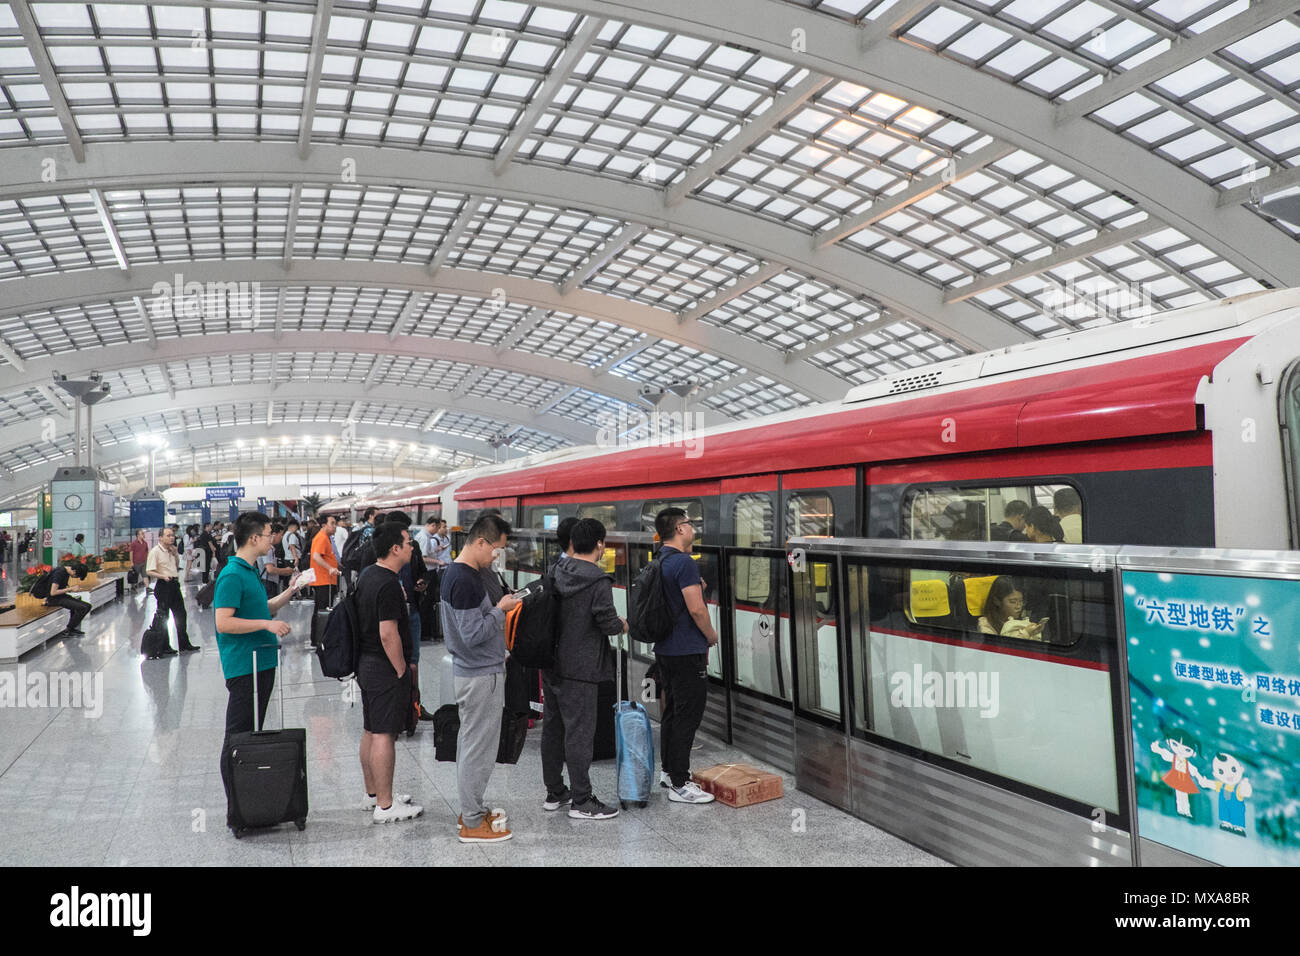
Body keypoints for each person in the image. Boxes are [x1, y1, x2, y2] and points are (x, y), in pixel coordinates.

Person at [214, 512, 304, 828]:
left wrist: (290, 591)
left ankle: (252, 802)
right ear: (254, 538)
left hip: (262, 661)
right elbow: (223, 622)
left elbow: (261, 608)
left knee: (250, 734)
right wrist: (266, 624)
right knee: (237, 738)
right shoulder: (231, 575)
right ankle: (236, 810)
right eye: (268, 534)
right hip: (244, 667)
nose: (271, 539)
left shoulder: (248, 571)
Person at [441, 513, 520, 843]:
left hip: (473, 672)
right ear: (480, 542)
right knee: (478, 750)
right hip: (479, 674)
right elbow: (472, 633)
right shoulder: (465, 581)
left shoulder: (462, 574)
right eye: (495, 550)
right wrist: (501, 609)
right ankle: (472, 823)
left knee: (472, 745)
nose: (495, 556)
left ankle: (472, 809)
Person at [542, 518, 626, 819]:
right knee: (579, 734)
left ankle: (555, 792)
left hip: (551, 664)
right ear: (600, 544)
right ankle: (582, 800)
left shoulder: (556, 570)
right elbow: (607, 623)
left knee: (553, 729)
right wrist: (623, 625)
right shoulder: (597, 579)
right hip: (581, 668)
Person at [355, 521, 424, 822]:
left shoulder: (369, 574)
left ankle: (375, 794)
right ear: (395, 548)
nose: (412, 547)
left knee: (371, 730)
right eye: (408, 542)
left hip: (366, 663)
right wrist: (400, 671)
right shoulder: (388, 584)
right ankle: (385, 807)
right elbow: (388, 634)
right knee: (385, 734)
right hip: (384, 667)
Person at [652, 507, 717, 804]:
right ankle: (681, 781)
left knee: (672, 712)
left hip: (665, 649)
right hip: (687, 649)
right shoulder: (684, 562)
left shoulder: (661, 559)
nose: (692, 528)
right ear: (680, 528)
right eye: (689, 524)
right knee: (688, 716)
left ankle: (668, 772)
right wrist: (710, 635)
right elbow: (696, 609)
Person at [147, 526, 198, 653]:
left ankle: (184, 644)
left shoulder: (171, 550)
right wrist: (163, 576)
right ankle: (164, 646)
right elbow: (149, 570)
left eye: (172, 535)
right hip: (164, 585)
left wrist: (175, 554)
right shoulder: (155, 551)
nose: (171, 537)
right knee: (164, 617)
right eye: (168, 535)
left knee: (181, 614)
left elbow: (175, 566)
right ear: (160, 537)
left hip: (174, 584)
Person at [977, 576, 1046, 640]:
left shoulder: (1021, 620)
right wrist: (1026, 633)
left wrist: (1034, 632)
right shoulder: (985, 624)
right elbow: (997, 649)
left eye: (1021, 601)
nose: (1019, 606)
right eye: (1013, 602)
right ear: (997, 601)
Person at [310, 514, 340, 639]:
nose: (335, 526)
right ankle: (319, 638)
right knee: (322, 610)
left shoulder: (325, 538)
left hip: (326, 580)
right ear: (323, 525)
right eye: (332, 523)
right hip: (323, 580)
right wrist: (330, 568)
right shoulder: (322, 538)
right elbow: (316, 556)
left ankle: (318, 637)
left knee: (321, 609)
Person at [43, 561, 91, 637]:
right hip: (54, 599)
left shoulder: (65, 572)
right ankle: (68, 630)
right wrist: (71, 589)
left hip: (62, 596)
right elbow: (53, 592)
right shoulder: (59, 573)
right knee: (83, 608)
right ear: (74, 571)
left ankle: (71, 628)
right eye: (77, 576)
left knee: (87, 606)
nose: (76, 578)